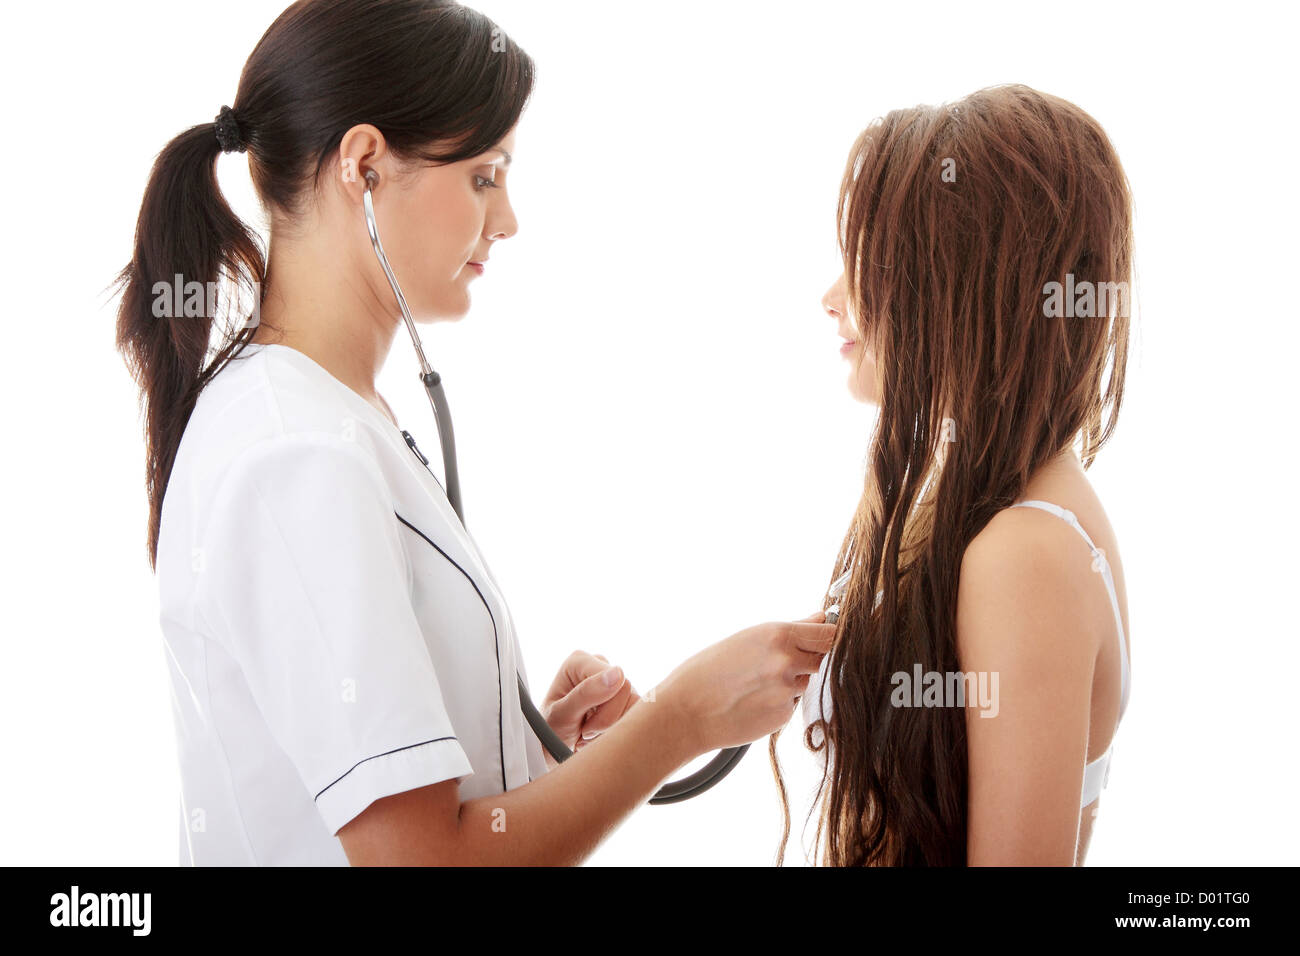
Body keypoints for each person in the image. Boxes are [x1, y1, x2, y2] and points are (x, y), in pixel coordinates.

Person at [114, 0, 835, 866]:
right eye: (484, 176)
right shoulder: (294, 452)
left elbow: (391, 806)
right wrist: (675, 723)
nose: (509, 219)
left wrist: (526, 747)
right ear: (365, 166)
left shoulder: (334, 418)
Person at [774, 84, 1134, 866]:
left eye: (866, 261)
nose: (832, 297)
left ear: (962, 282)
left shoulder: (1023, 552)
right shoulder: (994, 505)